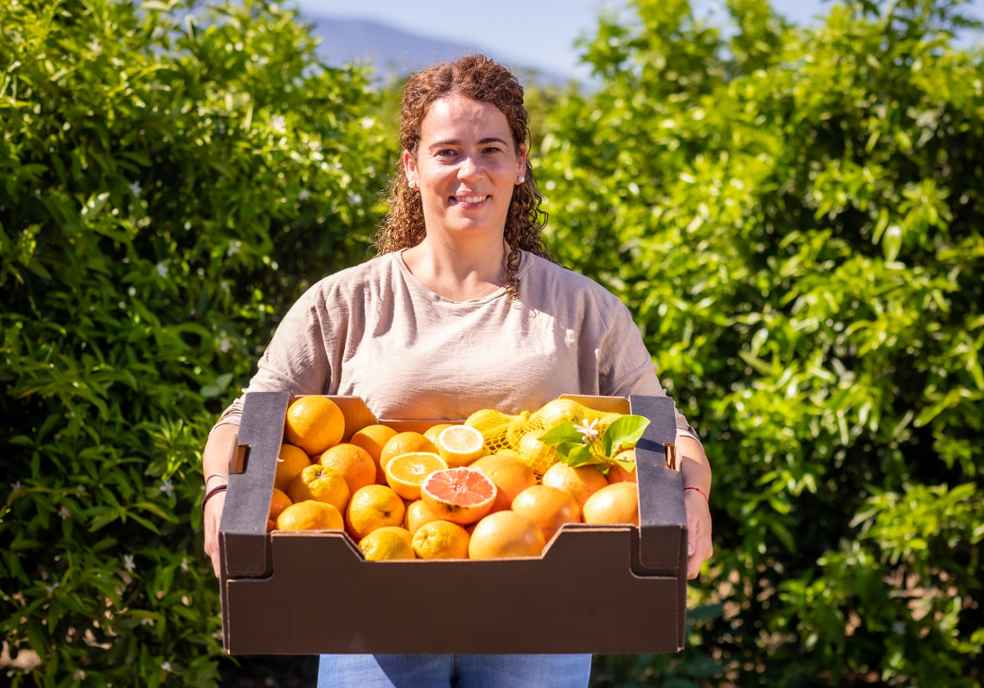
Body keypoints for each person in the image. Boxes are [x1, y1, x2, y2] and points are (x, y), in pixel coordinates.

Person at [201, 53, 713, 688]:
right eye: (447, 152)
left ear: (520, 163)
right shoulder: (343, 302)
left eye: (491, 150)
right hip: (372, 620)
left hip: (540, 623)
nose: (470, 171)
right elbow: (245, 422)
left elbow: (665, 430)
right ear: (411, 167)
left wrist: (693, 498)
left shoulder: (584, 308)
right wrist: (221, 493)